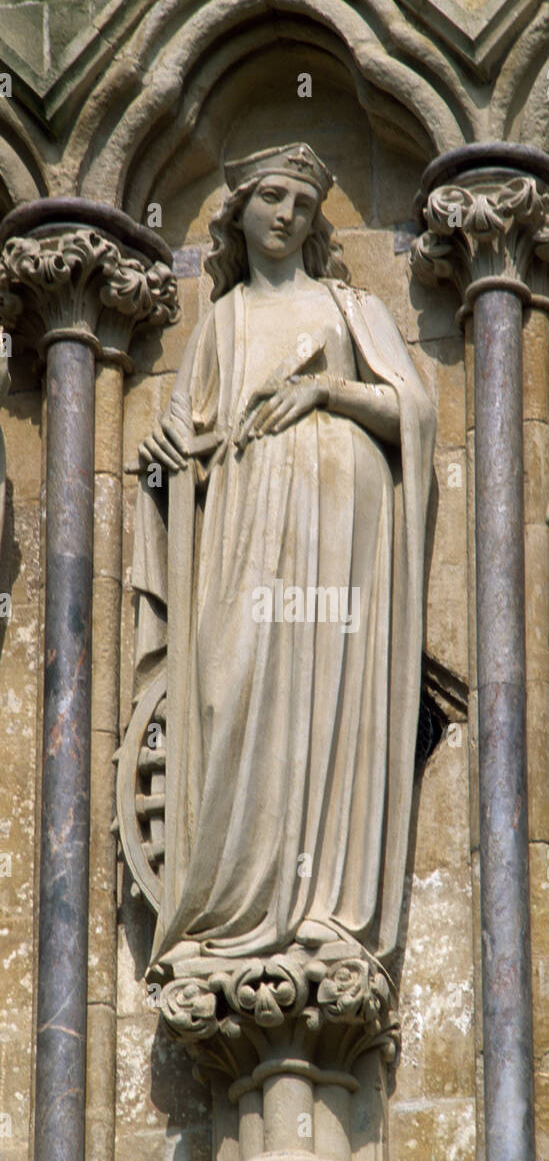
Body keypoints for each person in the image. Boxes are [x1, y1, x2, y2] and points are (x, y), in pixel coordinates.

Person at [131, 142, 435, 966]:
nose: (285, 215)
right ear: (240, 212)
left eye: (301, 206)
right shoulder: (223, 322)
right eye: (270, 198)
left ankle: (326, 907)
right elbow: (183, 445)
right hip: (242, 532)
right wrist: (163, 455)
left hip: (339, 529)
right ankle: (237, 902)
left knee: (330, 707)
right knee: (233, 692)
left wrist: (327, 391)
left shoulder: (346, 307)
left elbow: (411, 408)